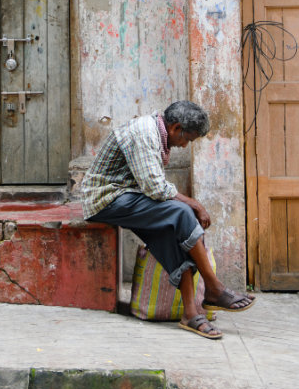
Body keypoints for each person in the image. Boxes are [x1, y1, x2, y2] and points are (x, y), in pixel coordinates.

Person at [82, 100, 254, 339]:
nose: (185, 145)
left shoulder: (157, 132)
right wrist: (194, 203)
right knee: (182, 212)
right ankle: (214, 287)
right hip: (106, 199)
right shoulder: (143, 133)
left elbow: (152, 187)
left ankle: (191, 314)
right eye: (188, 139)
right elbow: (154, 187)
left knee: (171, 230)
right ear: (175, 128)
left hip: (129, 195)